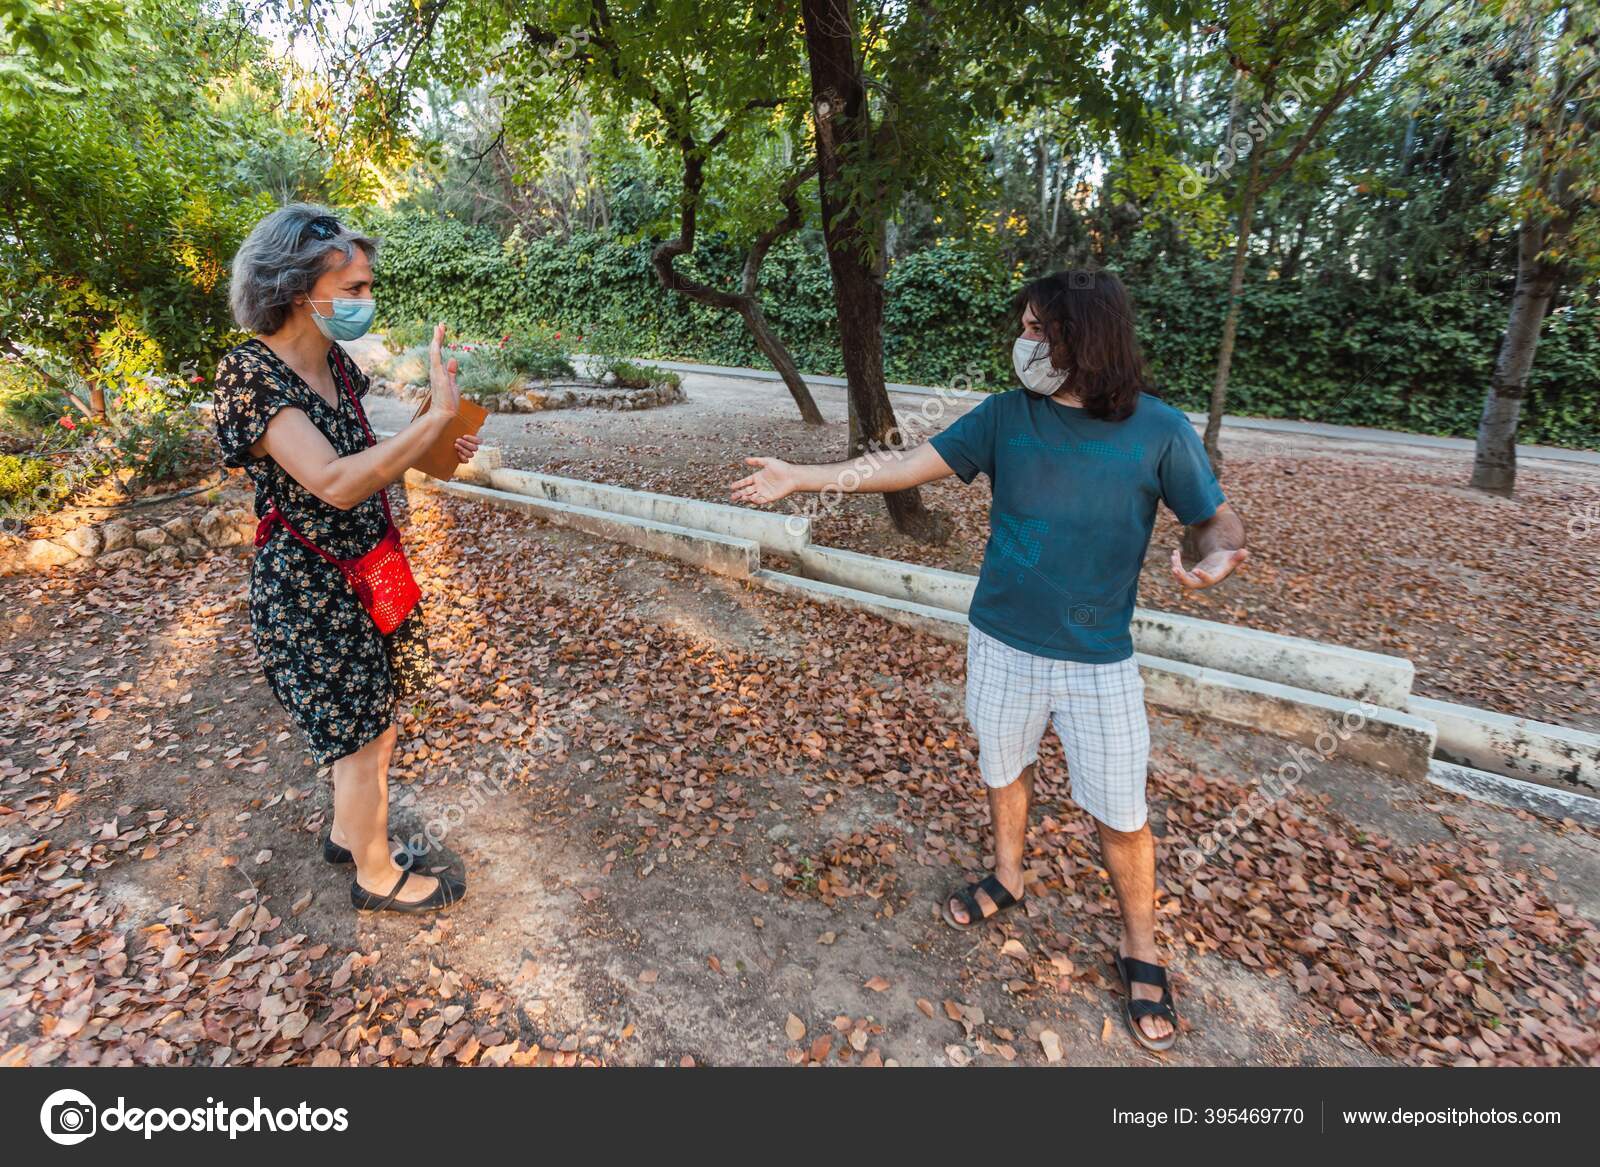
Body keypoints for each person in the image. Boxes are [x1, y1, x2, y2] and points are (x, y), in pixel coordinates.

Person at [729, 270, 1248, 1050]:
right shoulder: (1007, 417)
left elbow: (1217, 523)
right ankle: (1008, 876)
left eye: (1042, 330)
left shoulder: (1160, 431)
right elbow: (904, 465)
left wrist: (1215, 556)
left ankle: (1141, 947)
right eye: (1026, 326)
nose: (1025, 342)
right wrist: (802, 475)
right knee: (1003, 766)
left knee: (1121, 811)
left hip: (1098, 661)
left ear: (1088, 339)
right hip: (1000, 640)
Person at [214, 202, 480, 914]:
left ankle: (346, 830)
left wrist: (437, 434)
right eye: (355, 288)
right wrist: (430, 424)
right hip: (309, 592)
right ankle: (375, 872)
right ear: (300, 289)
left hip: (369, 570)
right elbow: (333, 481)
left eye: (367, 286)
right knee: (366, 736)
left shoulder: (335, 363)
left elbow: (370, 457)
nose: (368, 301)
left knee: (371, 719)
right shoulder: (250, 376)